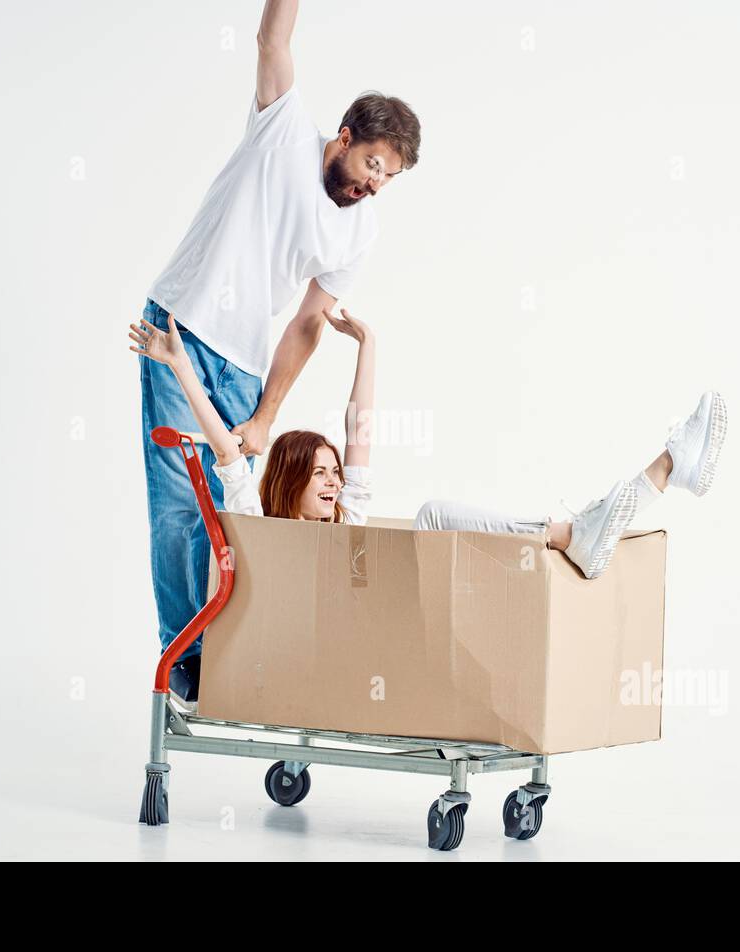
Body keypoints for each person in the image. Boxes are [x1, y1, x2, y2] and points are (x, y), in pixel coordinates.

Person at [129, 312, 728, 669]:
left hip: (401, 611)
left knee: (439, 517)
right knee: (434, 514)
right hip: (357, 634)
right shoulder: (256, 528)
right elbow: (229, 454)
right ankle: (597, 517)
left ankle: (668, 468)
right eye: (319, 473)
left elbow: (358, 431)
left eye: (335, 473)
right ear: (286, 482)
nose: (335, 481)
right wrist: (179, 365)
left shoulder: (347, 522)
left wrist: (368, 346)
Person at [139, 0, 421, 700]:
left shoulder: (360, 232)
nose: (372, 184)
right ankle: (187, 660)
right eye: (370, 164)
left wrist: (266, 416)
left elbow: (306, 323)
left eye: (388, 177)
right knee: (181, 502)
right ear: (345, 136)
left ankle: (239, 649)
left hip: (244, 362)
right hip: (179, 324)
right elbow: (273, 34)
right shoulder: (285, 127)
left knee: (242, 519)